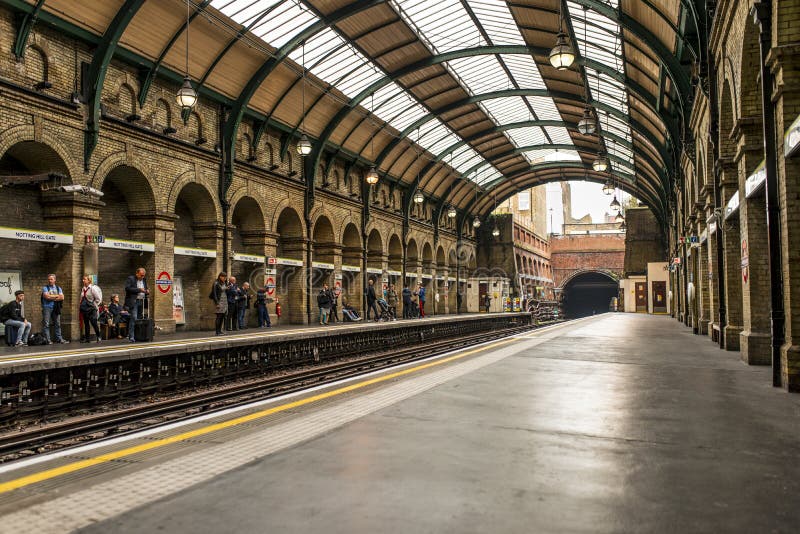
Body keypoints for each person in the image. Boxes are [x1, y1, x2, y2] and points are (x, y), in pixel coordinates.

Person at [124, 267, 149, 343]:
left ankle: (138, 336)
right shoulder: (131, 278)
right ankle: (131, 336)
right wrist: (139, 290)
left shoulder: (144, 280)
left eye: (143, 275)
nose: (142, 277)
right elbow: (127, 288)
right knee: (134, 318)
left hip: (142, 301)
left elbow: (145, 288)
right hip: (133, 301)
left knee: (139, 318)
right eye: (141, 275)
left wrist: (146, 291)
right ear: (137, 273)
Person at [41, 273, 67, 344]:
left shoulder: (58, 288)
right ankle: (48, 340)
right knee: (46, 324)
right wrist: (56, 296)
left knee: (57, 324)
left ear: (55, 280)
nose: (50, 280)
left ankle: (59, 339)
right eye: (49, 279)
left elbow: (62, 297)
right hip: (47, 308)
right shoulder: (45, 288)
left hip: (56, 308)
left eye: (51, 279)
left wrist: (51, 296)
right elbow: (46, 297)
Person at [79, 275, 102, 343]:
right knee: (86, 323)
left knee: (94, 323)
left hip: (92, 309)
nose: (83, 280)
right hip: (85, 309)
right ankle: (87, 338)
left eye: (85, 279)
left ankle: (98, 336)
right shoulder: (83, 289)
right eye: (83, 279)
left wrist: (94, 305)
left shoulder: (92, 288)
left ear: (89, 280)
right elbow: (82, 298)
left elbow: (98, 299)